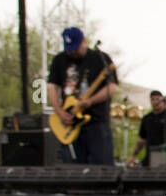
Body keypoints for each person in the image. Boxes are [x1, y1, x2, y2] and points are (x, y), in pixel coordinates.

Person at [47, 26, 118, 165]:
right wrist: (60, 112)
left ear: (83, 41)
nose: (72, 52)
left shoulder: (99, 58)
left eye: (75, 47)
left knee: (101, 166)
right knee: (73, 168)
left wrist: (91, 101)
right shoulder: (59, 60)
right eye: (69, 48)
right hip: (70, 123)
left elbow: (112, 87)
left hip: (97, 121)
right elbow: (52, 87)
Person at [127, 91, 166, 167]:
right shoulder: (147, 118)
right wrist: (133, 155)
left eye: (157, 99)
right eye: (153, 99)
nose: (155, 102)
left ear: (163, 101)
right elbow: (141, 139)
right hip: (150, 157)